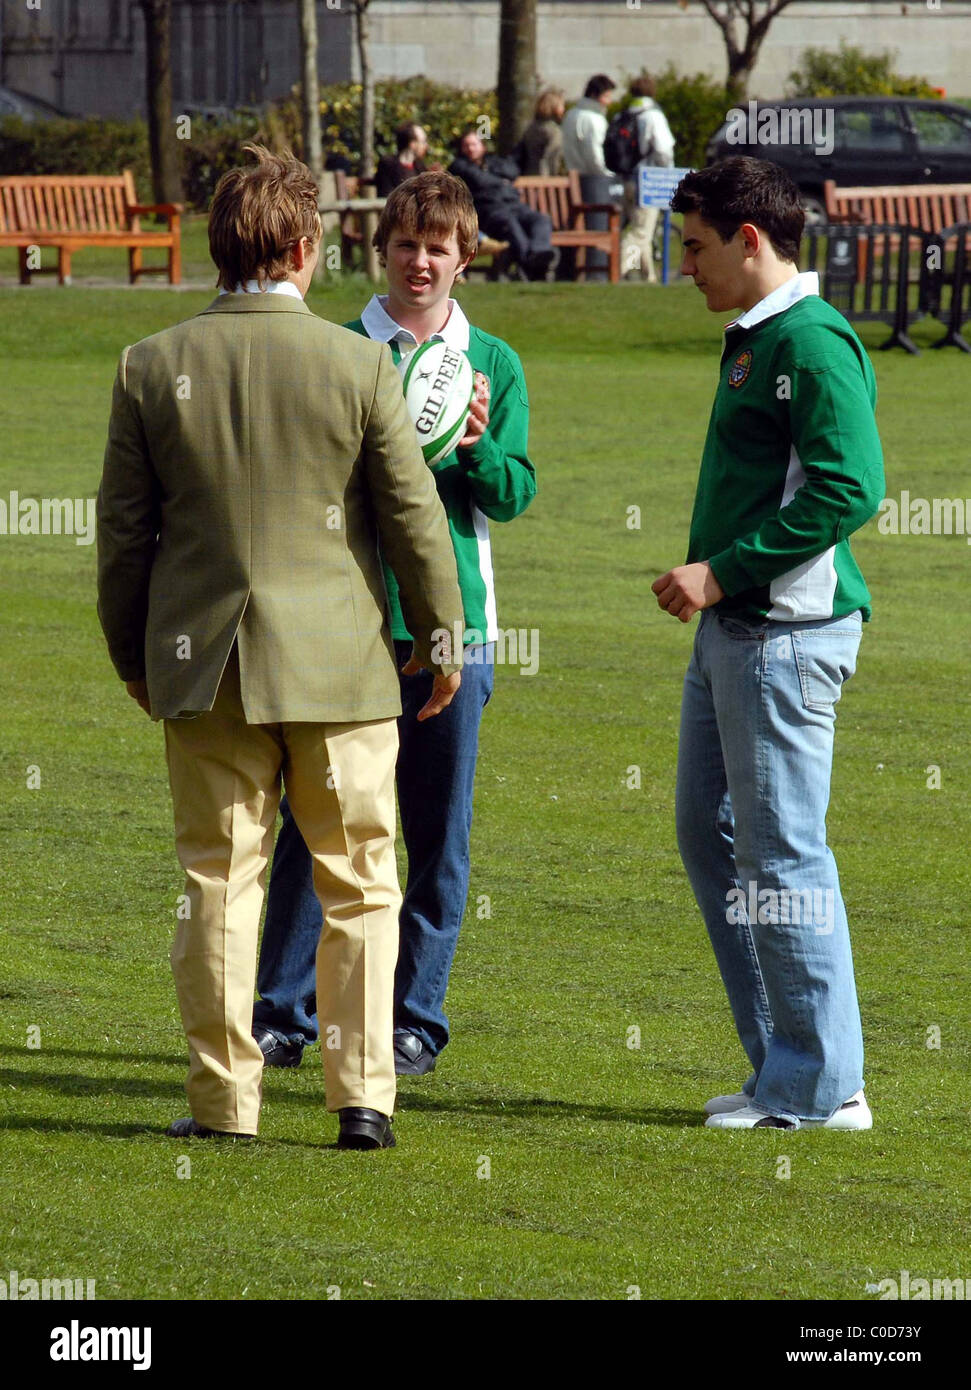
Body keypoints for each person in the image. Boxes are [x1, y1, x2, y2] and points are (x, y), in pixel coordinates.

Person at [96, 145, 464, 1150]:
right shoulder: (357, 363)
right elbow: (412, 519)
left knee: (219, 881)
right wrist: (440, 641)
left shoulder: (149, 363)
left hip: (201, 660)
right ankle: (363, 1099)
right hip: (342, 666)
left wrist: (133, 657)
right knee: (360, 882)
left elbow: (125, 537)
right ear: (304, 249)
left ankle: (224, 1104)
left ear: (218, 248)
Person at [252, 170, 536, 1077]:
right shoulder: (337, 347)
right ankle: (282, 1010)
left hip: (458, 630)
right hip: (347, 627)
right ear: (381, 250)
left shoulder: (492, 361)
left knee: (435, 831)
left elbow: (516, 490)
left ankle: (414, 1015)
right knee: (313, 820)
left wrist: (476, 448)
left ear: (465, 258)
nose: (422, 262)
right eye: (407, 244)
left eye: (440, 248)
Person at [654, 156, 885, 1131]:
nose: (685, 268)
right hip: (733, 634)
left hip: (782, 635)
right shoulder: (758, 337)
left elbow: (849, 488)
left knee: (781, 855)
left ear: (750, 242)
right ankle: (781, 1067)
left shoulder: (810, 341)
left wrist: (720, 570)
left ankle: (821, 1088)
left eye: (696, 247)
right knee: (708, 836)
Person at [449, 129, 556, 280]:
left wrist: (494, 175)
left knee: (541, 219)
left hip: (514, 206)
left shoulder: (493, 161)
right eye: (466, 145)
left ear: (483, 146)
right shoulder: (459, 165)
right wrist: (501, 182)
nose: (470, 148)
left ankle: (539, 253)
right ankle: (531, 265)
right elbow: (480, 180)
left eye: (474, 144)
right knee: (510, 224)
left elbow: (512, 170)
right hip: (488, 212)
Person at [618, 74, 675, 283]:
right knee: (640, 232)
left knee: (642, 229)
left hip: (627, 180)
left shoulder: (625, 114)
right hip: (648, 180)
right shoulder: (653, 115)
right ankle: (619, 271)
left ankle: (647, 277)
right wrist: (668, 172)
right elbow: (663, 149)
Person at [560, 74, 616, 177]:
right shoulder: (595, 119)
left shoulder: (570, 114)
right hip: (593, 179)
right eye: (606, 96)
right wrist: (606, 174)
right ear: (594, 94)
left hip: (573, 176)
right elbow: (594, 153)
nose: (609, 102)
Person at [515, 89, 566, 176]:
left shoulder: (531, 127)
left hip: (526, 176)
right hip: (544, 180)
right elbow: (551, 158)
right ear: (555, 107)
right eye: (562, 105)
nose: (563, 108)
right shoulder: (554, 131)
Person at [375, 122, 430, 197]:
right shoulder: (388, 165)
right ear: (412, 143)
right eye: (423, 142)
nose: (426, 146)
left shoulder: (420, 167)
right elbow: (386, 195)